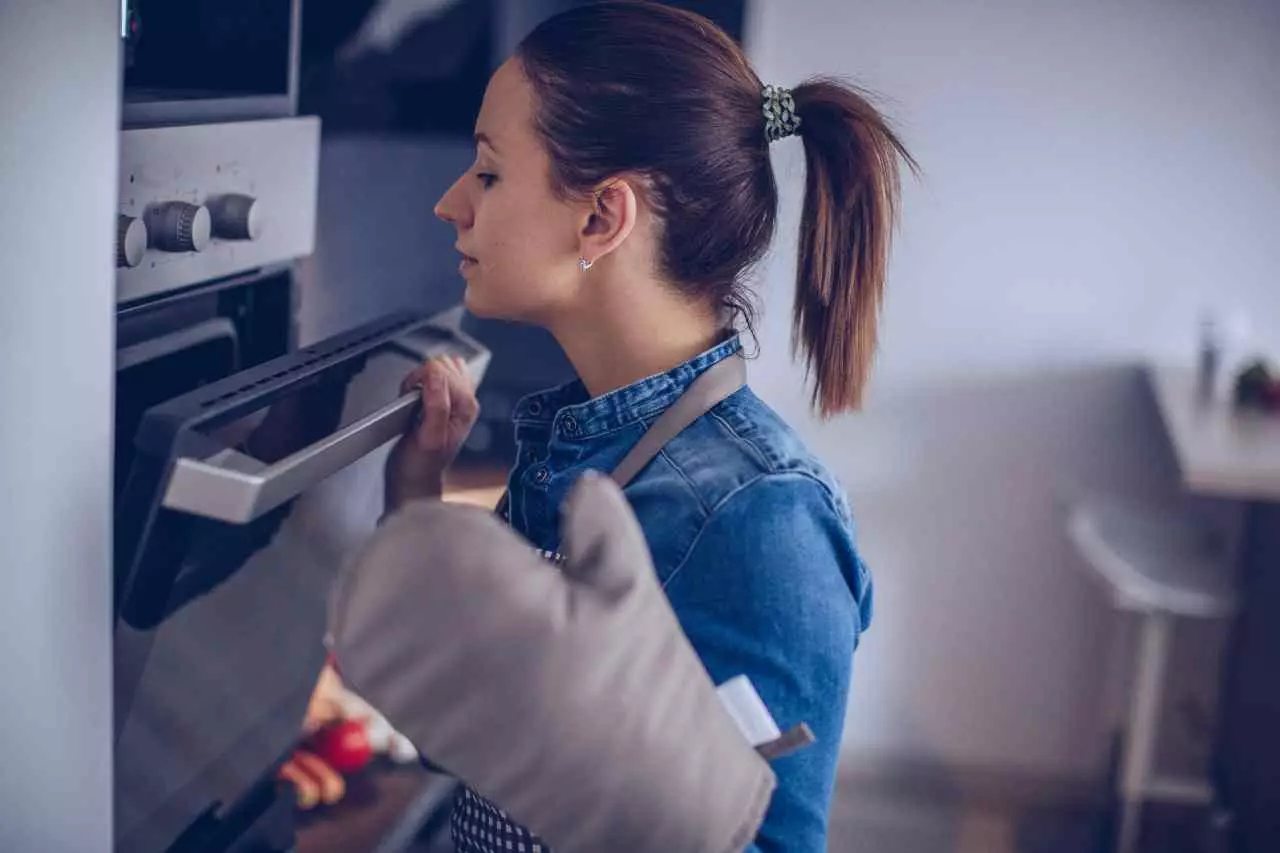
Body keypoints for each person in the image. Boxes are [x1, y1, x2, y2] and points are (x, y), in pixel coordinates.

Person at [383, 3, 916, 851]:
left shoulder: (761, 520)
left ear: (602, 218)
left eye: (488, 172)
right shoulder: (566, 454)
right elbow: (452, 739)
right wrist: (415, 496)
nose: (453, 204)